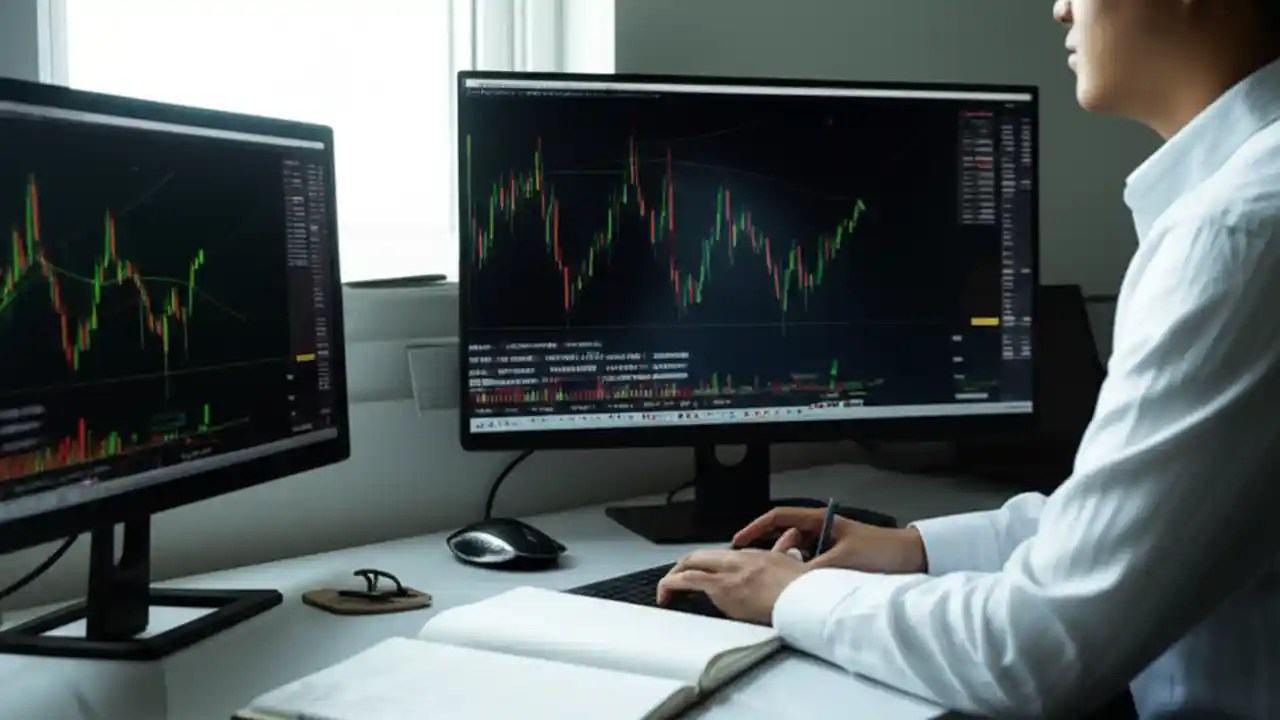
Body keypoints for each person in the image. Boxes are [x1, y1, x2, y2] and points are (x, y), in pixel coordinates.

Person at [657, 0, 1280, 716]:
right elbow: (1148, 521)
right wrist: (913, 548)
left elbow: (1036, 649)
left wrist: (792, 593)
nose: (1059, 7)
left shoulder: (1235, 235)